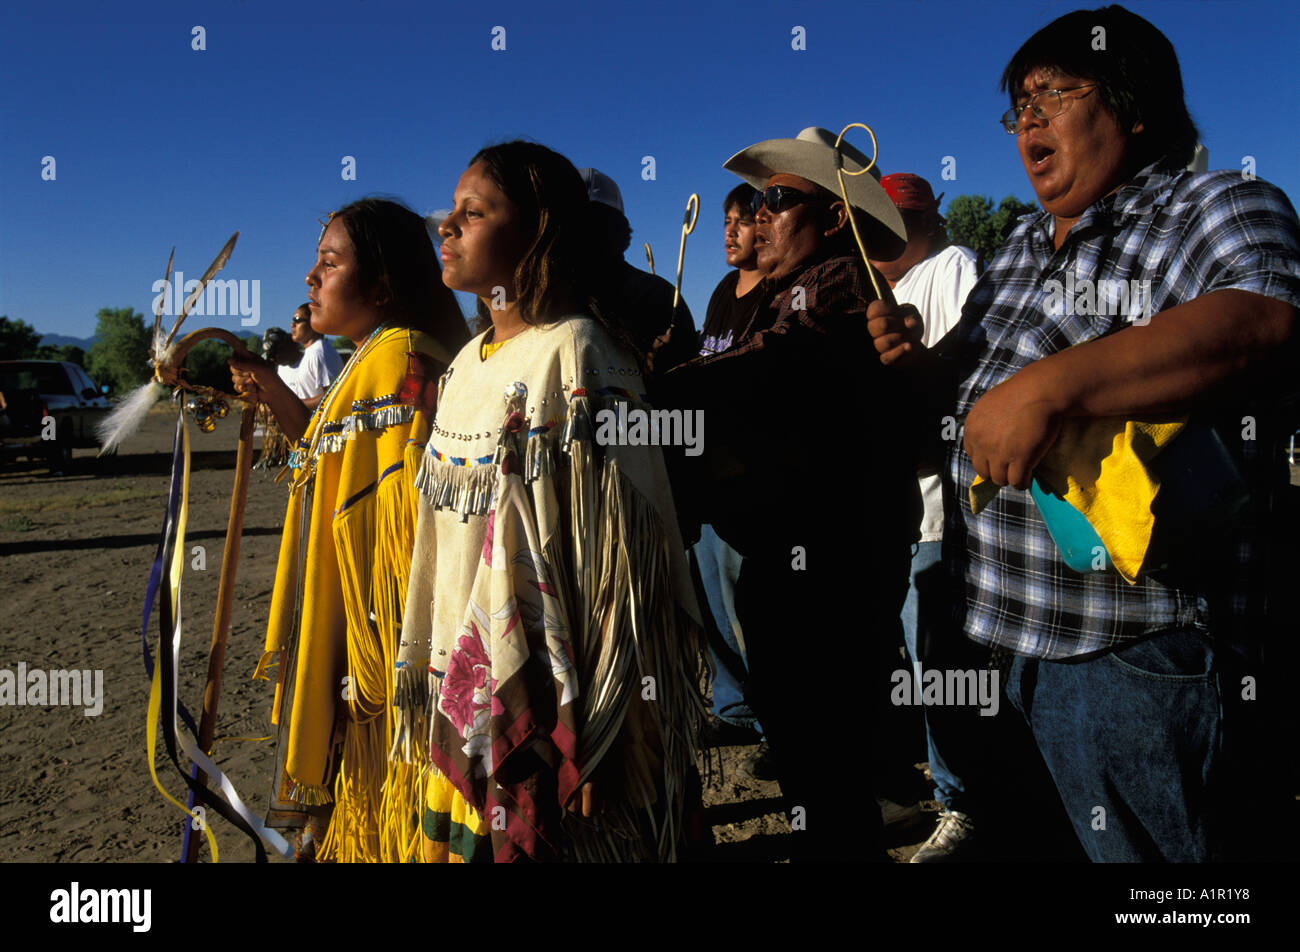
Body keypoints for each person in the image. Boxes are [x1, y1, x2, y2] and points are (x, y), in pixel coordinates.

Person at [868, 4, 1299, 861]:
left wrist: (1050, 388)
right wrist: (912, 364)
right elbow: (967, 393)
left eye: (1052, 97)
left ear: (1135, 107)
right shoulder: (1025, 244)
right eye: (1017, 108)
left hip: (1131, 653)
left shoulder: (1209, 204)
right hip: (1002, 638)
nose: (1028, 123)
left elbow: (1264, 320)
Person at [391, 141, 706, 863]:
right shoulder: (468, 362)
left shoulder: (580, 353)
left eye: (474, 213)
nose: (447, 226)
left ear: (538, 232)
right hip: (464, 695)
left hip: (554, 710)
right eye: (451, 212)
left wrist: (599, 728)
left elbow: (624, 573)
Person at [660, 126, 920, 860]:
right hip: (806, 550)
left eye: (779, 200)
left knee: (822, 752)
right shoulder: (787, 291)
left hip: (832, 559)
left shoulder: (834, 285)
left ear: (835, 217)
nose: (759, 215)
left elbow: (767, 368)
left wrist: (642, 393)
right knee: (814, 754)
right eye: (759, 201)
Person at [230, 197, 470, 862]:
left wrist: (354, 648)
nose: (311, 279)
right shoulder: (374, 355)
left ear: (383, 285)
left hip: (378, 641)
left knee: (385, 792)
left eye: (329, 263)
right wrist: (273, 396)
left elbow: (393, 520)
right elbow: (332, 460)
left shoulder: (399, 358)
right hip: (362, 632)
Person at [868, 173, 984, 861]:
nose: (884, 237)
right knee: (915, 660)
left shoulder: (953, 267)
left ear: (927, 223)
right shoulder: (882, 289)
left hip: (940, 506)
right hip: (894, 505)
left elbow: (965, 371)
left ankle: (963, 801)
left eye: (897, 222)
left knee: (939, 659)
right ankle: (940, 781)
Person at [693, 182, 766, 767]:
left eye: (744, 220)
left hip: (753, 487)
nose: (731, 231)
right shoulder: (721, 291)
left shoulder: (778, 291)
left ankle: (778, 726)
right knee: (716, 604)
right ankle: (737, 709)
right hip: (711, 484)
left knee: (756, 612)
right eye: (726, 221)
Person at [580, 167, 699, 376]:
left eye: (599, 223)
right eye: (578, 222)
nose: (585, 235)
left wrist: (668, 371)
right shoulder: (549, 299)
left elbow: (691, 390)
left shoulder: (658, 297)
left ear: (619, 232)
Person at [287, 302, 344, 409]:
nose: (292, 324)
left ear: (313, 322)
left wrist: (293, 405)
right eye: (292, 320)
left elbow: (333, 396)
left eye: (298, 320)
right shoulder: (311, 352)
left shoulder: (320, 353)